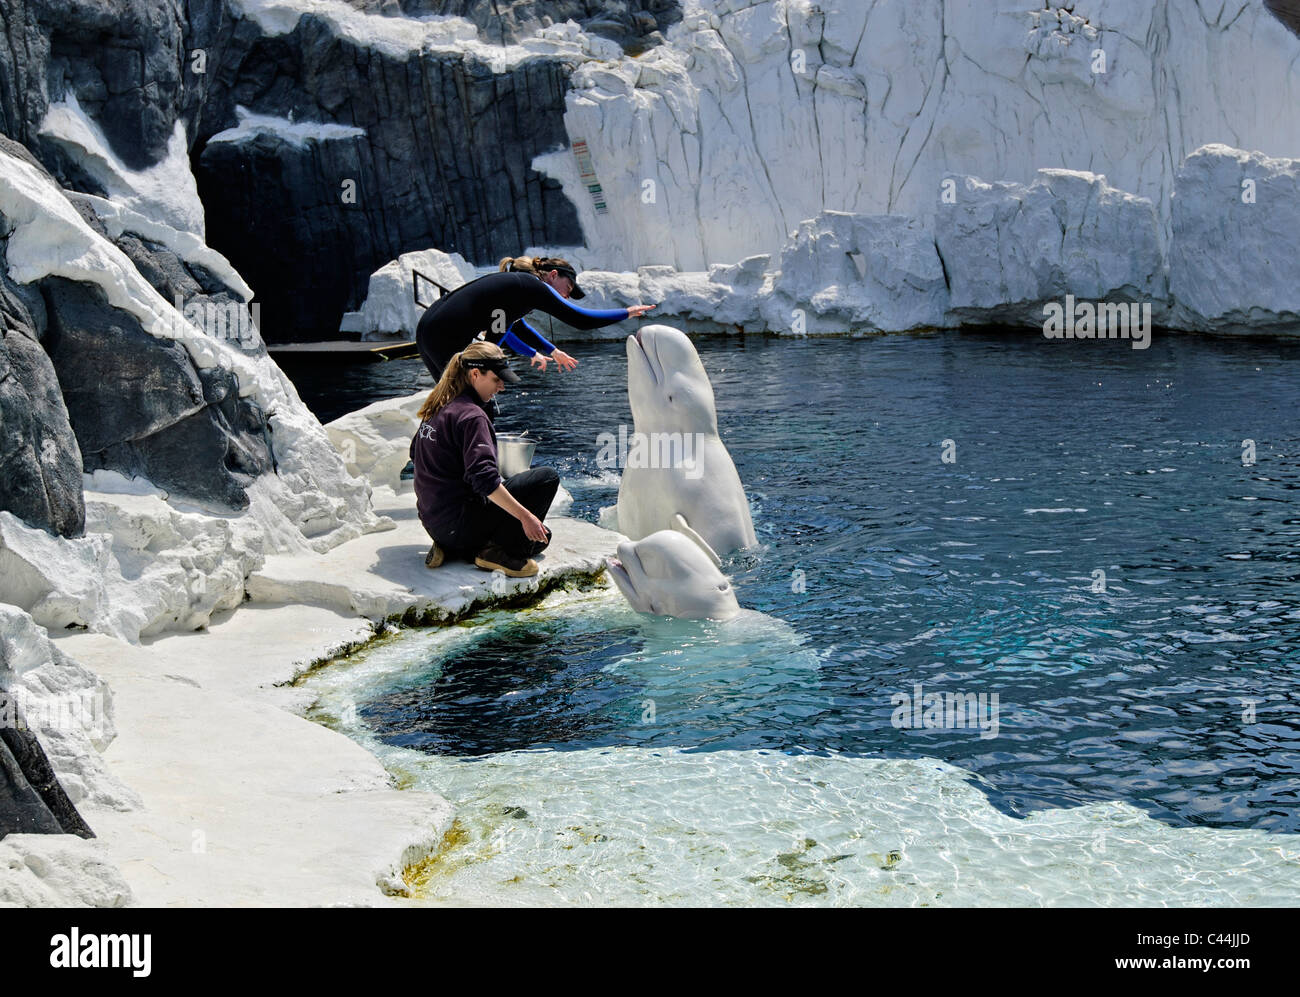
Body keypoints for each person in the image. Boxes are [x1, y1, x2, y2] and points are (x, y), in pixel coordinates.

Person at [411, 341, 557, 578]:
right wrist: (526, 517)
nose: (501, 387)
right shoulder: (472, 416)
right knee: (545, 486)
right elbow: (484, 480)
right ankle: (491, 553)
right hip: (459, 527)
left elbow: (414, 454)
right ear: (475, 374)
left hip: (434, 524)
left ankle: (450, 547)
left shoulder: (439, 405)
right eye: (496, 380)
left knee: (532, 526)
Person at [415, 255, 656, 381]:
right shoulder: (530, 286)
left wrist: (551, 351)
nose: (566, 296)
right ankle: (479, 468)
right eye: (568, 287)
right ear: (553, 275)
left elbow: (510, 329)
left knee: (451, 400)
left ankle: (424, 458)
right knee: (473, 398)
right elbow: (581, 320)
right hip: (444, 335)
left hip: (428, 330)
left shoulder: (515, 292)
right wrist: (626, 312)